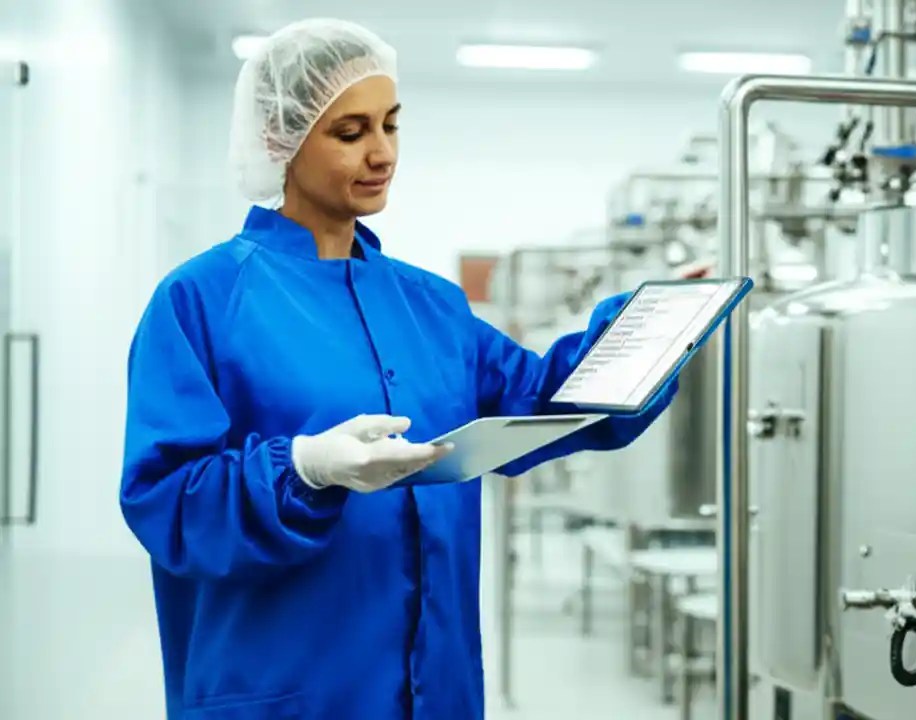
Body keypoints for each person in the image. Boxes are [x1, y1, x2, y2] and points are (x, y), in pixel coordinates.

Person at [120, 18, 674, 720]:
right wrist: (303, 468)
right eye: (350, 133)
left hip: (432, 692)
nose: (382, 152)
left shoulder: (430, 305)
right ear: (277, 140)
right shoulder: (201, 300)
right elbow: (167, 500)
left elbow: (545, 401)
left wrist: (649, 331)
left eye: (391, 124)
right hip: (287, 689)